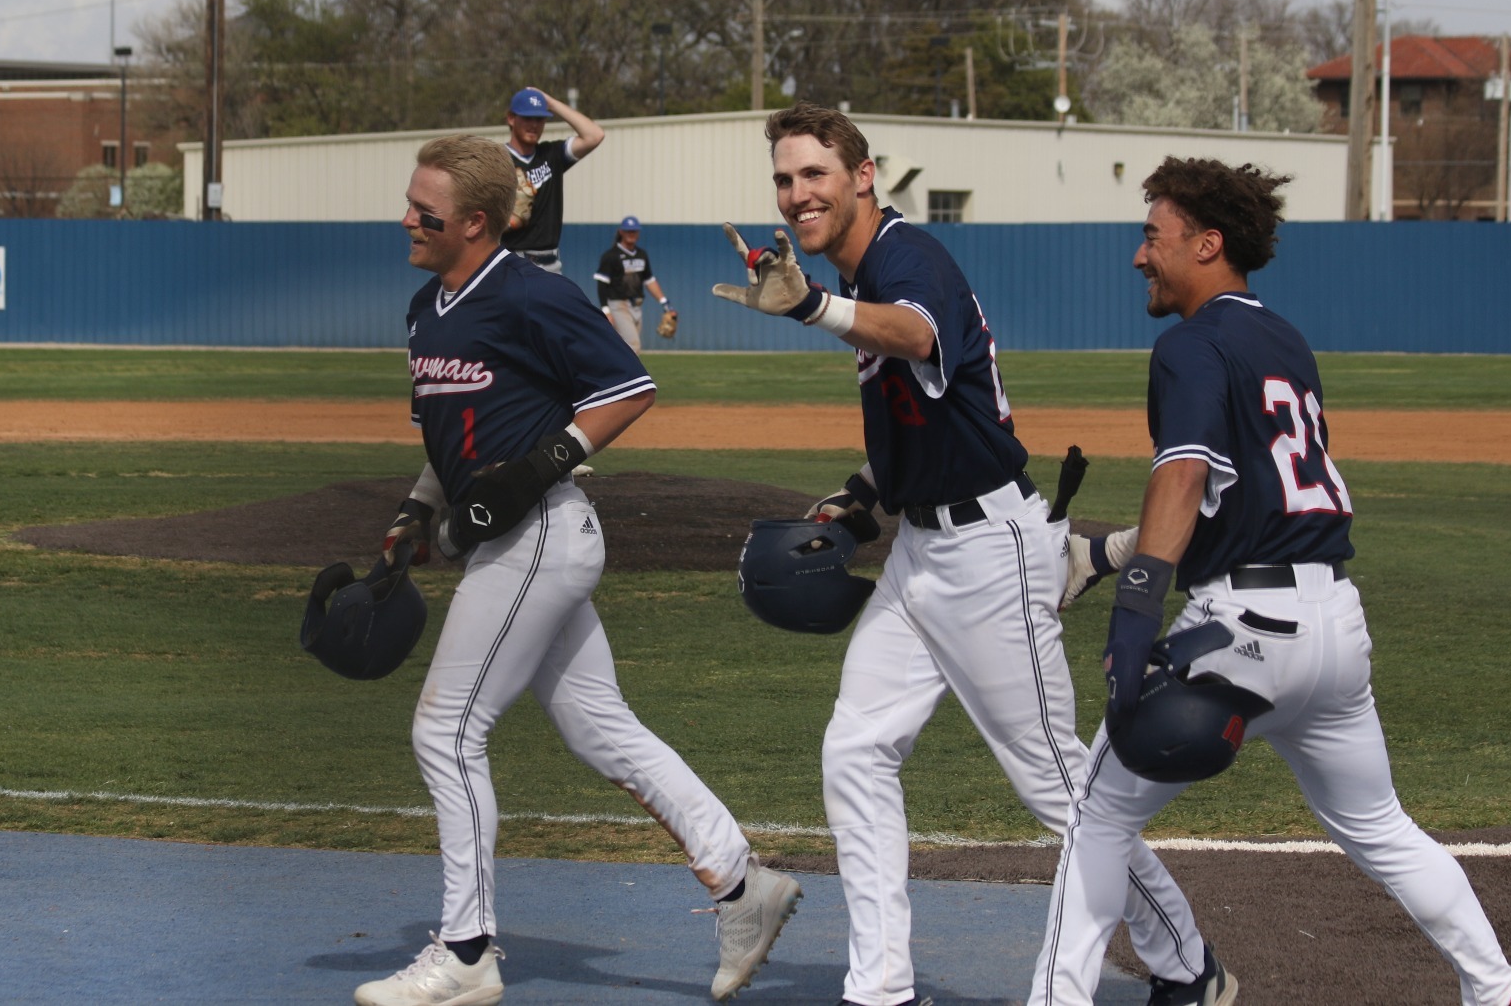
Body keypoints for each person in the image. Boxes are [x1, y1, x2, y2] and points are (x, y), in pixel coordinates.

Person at [710, 103, 1202, 1006]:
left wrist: (816, 305)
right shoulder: (869, 271)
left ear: (862, 175)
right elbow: (918, 423)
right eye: (784, 179)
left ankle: (1188, 963)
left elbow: (919, 334)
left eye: (814, 173)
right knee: (855, 750)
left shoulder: (906, 258)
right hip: (924, 552)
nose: (796, 195)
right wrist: (859, 503)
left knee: (1059, 786)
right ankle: (880, 988)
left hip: (986, 550)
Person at [1030, 155, 1511, 1006]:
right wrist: (1113, 553)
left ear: (1207, 243)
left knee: (1097, 813)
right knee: (1384, 829)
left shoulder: (1189, 343)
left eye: (1153, 236)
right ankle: (1500, 991)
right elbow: (1248, 501)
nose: (1138, 255)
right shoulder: (1284, 338)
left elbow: (1184, 478)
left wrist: (1133, 611)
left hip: (1244, 632)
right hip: (1335, 623)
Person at [356, 135, 800, 1006]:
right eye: (410, 202)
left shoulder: (531, 293)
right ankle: (744, 885)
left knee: (445, 731)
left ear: (475, 221)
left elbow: (627, 387)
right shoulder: (425, 308)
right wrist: (416, 511)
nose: (408, 218)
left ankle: (468, 951)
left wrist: (536, 466)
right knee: (600, 726)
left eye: (426, 208)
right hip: (510, 542)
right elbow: (449, 441)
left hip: (543, 534)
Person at [498, 86, 604, 273]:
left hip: (551, 263)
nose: (534, 124)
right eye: (527, 117)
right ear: (511, 118)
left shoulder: (551, 154)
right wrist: (505, 221)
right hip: (513, 260)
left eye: (540, 118)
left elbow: (594, 135)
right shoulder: (498, 159)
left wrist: (551, 103)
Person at [594, 215, 676, 352]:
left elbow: (649, 280)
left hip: (637, 306)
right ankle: (631, 374)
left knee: (625, 348)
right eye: (628, 231)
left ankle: (617, 372)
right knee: (633, 345)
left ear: (638, 233)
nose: (631, 234)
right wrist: (606, 310)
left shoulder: (641, 255)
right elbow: (601, 284)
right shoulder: (611, 256)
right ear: (621, 232)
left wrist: (664, 302)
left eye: (634, 231)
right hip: (618, 305)